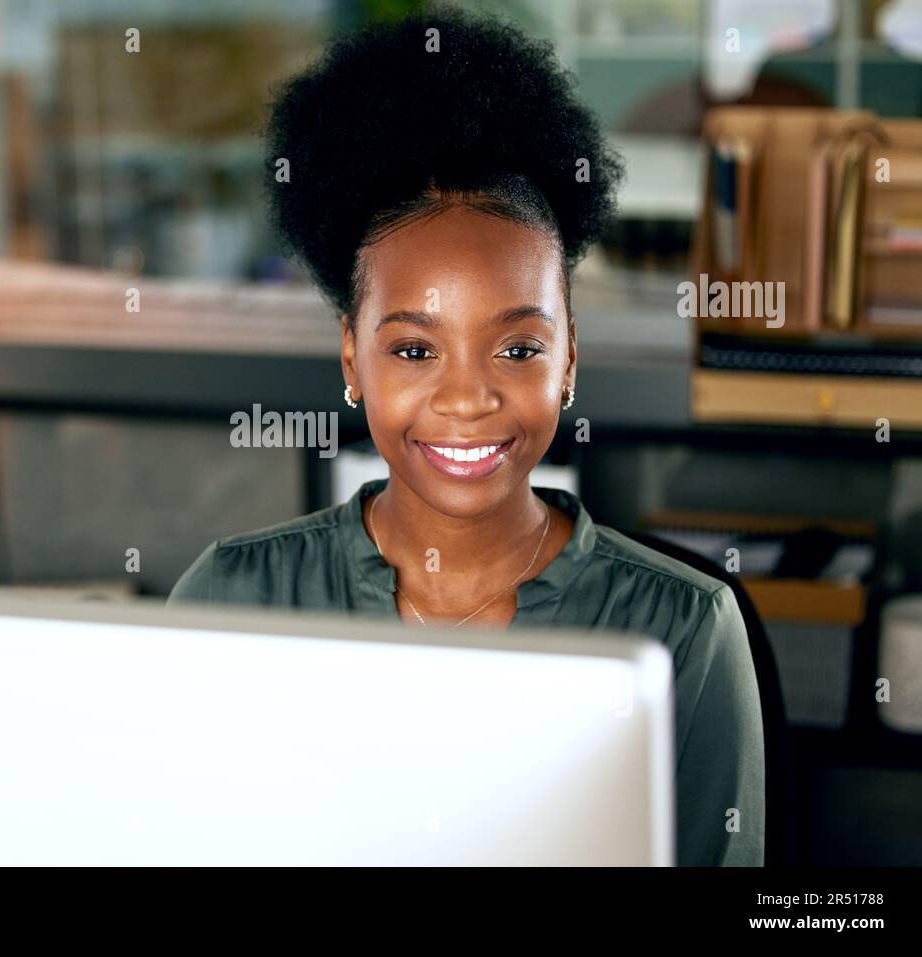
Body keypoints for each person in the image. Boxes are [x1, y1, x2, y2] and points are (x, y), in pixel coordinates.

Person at [167, 4, 764, 867]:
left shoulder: (685, 631)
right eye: (414, 348)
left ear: (567, 362)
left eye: (518, 346)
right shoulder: (230, 596)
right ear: (352, 355)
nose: (468, 397)